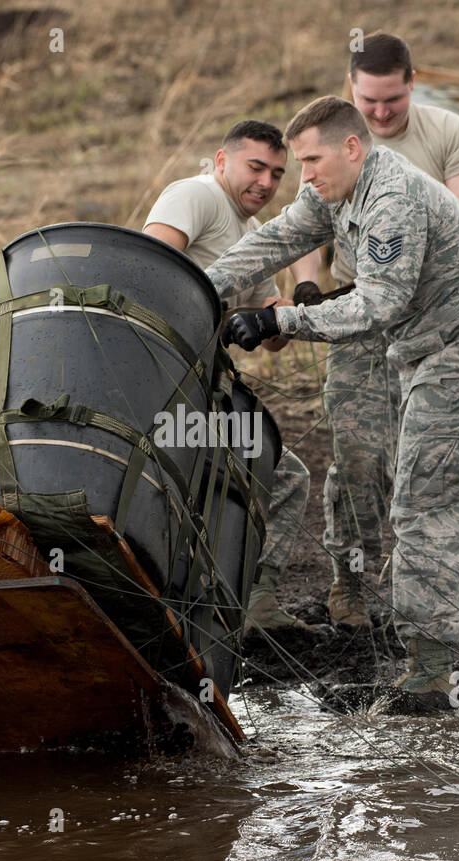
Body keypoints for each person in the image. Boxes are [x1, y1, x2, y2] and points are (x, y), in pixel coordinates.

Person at [206, 97, 459, 710]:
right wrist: (197, 284)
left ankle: (430, 675)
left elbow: (378, 305)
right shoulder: (334, 192)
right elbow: (278, 238)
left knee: (423, 505)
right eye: (299, 164)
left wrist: (280, 320)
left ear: (353, 148)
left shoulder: (391, 200)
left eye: (313, 160)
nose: (305, 177)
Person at [290, 32, 459, 630]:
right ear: (351, 89)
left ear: (413, 81)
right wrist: (308, 287)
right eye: (368, 101)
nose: (380, 114)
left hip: (434, 316)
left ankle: (446, 565)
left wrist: (401, 279)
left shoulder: (450, 135)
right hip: (357, 315)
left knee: (435, 447)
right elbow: (305, 226)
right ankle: (349, 585)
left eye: (392, 102)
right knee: (356, 453)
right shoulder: (331, 139)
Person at [144, 119, 315, 636]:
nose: (265, 182)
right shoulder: (195, 196)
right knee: (268, 479)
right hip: (161, 386)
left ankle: (255, 603)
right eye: (255, 167)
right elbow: (151, 268)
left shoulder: (254, 238)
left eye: (277, 174)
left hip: (204, 392)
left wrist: (284, 311)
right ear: (222, 161)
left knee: (284, 477)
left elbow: (273, 334)